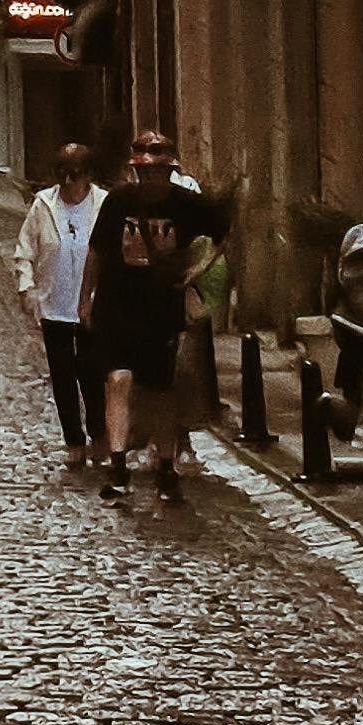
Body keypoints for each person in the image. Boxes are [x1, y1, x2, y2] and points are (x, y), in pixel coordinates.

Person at [80, 128, 232, 507]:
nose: (149, 179)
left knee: (162, 391)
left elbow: (223, 234)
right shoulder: (118, 202)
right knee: (117, 380)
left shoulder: (187, 204)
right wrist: (84, 299)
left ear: (168, 172)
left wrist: (197, 271)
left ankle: (166, 466)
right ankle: (117, 466)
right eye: (143, 172)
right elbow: (97, 251)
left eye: (156, 172)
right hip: (116, 304)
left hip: (161, 307)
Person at [14, 142, 107, 457]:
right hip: (54, 305)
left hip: (94, 306)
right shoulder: (43, 205)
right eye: (62, 174)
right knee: (63, 376)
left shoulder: (103, 204)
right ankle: (74, 441)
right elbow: (25, 249)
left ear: (88, 175)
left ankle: (99, 433)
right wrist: (27, 287)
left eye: (75, 175)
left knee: (93, 374)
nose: (68, 182)